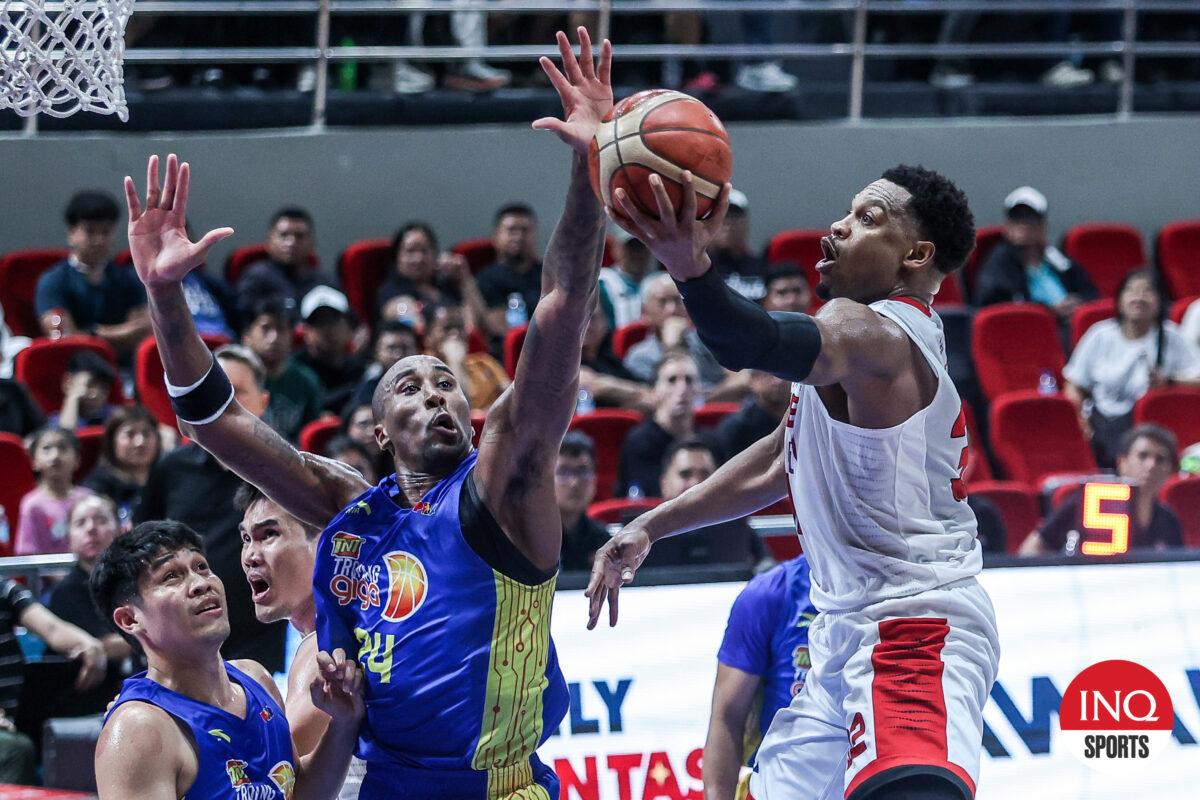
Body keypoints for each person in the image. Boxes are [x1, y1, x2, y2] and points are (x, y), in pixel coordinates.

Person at [120, 28, 612, 797]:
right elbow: (214, 423)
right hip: (383, 783)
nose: (437, 396)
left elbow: (562, 302)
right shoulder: (350, 510)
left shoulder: (506, 485)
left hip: (498, 785)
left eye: (447, 384)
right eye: (410, 388)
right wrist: (163, 295)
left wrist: (591, 167)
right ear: (379, 433)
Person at [590, 163, 999, 800]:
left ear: (916, 255)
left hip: (915, 629)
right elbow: (779, 458)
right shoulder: (854, 358)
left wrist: (688, 265)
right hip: (842, 632)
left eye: (869, 218)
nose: (838, 225)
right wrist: (652, 523)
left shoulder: (879, 332)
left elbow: (744, 338)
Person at [92, 520, 364, 800]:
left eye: (201, 567)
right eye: (171, 576)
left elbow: (299, 795)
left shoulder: (256, 679)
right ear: (130, 619)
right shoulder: (138, 729)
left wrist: (343, 722)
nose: (200, 584)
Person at [137, 345, 289, 671]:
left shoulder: (286, 468)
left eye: (236, 394)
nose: (223, 406)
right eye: (215, 393)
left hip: (266, 642)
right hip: (185, 644)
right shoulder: (171, 468)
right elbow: (141, 552)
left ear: (263, 403)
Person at [236, 484, 369, 799]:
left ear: (325, 544)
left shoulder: (328, 644)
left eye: (268, 534)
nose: (250, 556)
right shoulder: (312, 637)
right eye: (245, 539)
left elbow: (274, 777)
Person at [705, 555, 816, 800]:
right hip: (788, 783)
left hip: (871, 774)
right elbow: (727, 715)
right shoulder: (769, 594)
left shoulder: (901, 590)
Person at [1063, 268, 1200, 467]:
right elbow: (1074, 385)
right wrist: (1078, 421)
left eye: (1147, 291)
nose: (1139, 298)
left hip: (1155, 429)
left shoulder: (1173, 337)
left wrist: (1169, 381)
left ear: (1160, 300)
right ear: (1119, 299)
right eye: (1131, 291)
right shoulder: (1100, 335)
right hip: (1103, 427)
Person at [0, 576, 106, 785]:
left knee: (74, 740)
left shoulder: (4, 590)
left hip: (18, 719)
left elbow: (52, 629)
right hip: (12, 736)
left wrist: (89, 645)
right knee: (16, 750)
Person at [1019, 423, 1183, 555]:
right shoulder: (1089, 503)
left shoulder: (1168, 518)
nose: (1151, 465)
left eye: (1160, 460)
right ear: (1122, 462)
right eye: (1142, 456)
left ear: (1170, 471)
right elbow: (1030, 550)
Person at [35, 190, 150, 361]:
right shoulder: (53, 280)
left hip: (126, 368)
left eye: (105, 232)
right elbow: (62, 335)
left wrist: (92, 332)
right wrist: (122, 333)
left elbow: (145, 329)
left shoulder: (129, 278)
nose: (98, 240)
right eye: (89, 232)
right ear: (71, 234)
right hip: (74, 367)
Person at [46, 495, 135, 713]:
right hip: (82, 701)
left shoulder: (135, 583)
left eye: (101, 520)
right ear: (69, 537)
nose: (91, 529)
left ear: (120, 530)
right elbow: (108, 645)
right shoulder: (66, 592)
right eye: (80, 523)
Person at [638, 439, 768, 571]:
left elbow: (767, 564)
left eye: (705, 475)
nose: (696, 483)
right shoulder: (645, 533)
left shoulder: (739, 528)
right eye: (685, 474)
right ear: (664, 484)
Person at [973, 186, 1097, 322]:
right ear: (1007, 226)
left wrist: (1077, 302)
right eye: (1017, 218)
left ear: (1043, 227)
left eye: (1030, 219)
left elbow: (1090, 294)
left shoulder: (1056, 258)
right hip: (1029, 331)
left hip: (1070, 328)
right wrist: (1050, 311)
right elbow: (994, 305)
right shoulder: (999, 262)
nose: (1023, 225)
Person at [615, 350, 719, 498]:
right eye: (672, 380)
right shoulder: (638, 442)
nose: (682, 389)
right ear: (655, 391)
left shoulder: (711, 442)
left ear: (699, 390)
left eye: (689, 380)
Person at [377, 222, 497, 339]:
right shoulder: (392, 292)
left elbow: (481, 327)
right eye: (410, 251)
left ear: (435, 254)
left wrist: (465, 279)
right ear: (397, 257)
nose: (418, 258)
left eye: (424, 250)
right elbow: (419, 331)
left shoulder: (447, 287)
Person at [242, 296, 325, 442]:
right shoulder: (234, 378)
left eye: (281, 329)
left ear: (292, 337)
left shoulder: (307, 380)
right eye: (265, 328)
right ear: (247, 336)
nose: (274, 337)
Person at [623, 273, 727, 388]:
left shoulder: (707, 341)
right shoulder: (639, 357)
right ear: (644, 311)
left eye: (677, 300)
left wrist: (700, 401)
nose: (672, 310)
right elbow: (665, 397)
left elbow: (740, 377)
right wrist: (672, 346)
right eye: (662, 302)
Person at [236, 207, 336, 315]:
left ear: (312, 243)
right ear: (269, 241)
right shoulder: (256, 278)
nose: (291, 243)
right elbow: (244, 319)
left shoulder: (325, 282)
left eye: (299, 236)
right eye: (283, 235)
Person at [15, 426, 94, 555]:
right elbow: (27, 554)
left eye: (63, 448)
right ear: (34, 461)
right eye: (46, 449)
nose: (55, 456)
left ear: (77, 460)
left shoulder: (89, 499)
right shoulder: (32, 505)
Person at [421, 301, 510, 411]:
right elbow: (459, 414)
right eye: (447, 328)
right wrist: (455, 362)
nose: (456, 334)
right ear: (428, 337)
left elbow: (512, 401)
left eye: (460, 327)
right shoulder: (420, 371)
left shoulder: (484, 362)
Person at [83, 404, 161, 527]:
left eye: (147, 434)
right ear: (112, 441)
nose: (140, 442)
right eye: (130, 434)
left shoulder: (167, 479)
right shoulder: (96, 488)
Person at [294, 287, 367, 415]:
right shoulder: (294, 370)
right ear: (305, 331)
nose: (328, 329)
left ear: (349, 327)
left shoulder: (359, 370)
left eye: (334, 320)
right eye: (320, 322)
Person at [474, 202, 543, 333]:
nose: (518, 237)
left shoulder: (551, 275)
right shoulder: (485, 280)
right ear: (496, 236)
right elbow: (499, 329)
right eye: (511, 230)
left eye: (525, 230)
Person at [555, 432, 610, 571]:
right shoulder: (530, 540)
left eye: (583, 471)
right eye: (563, 472)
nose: (574, 483)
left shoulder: (603, 540)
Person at [708, 189, 771, 301]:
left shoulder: (760, 268)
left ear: (746, 224)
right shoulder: (697, 269)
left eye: (734, 216)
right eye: (721, 215)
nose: (727, 223)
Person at [716, 369, 791, 461]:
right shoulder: (736, 427)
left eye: (784, 375)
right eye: (767, 375)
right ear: (752, 380)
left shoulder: (804, 415)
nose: (778, 381)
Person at [346, 320, 420, 410]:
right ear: (377, 353)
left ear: (416, 351)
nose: (398, 354)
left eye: (404, 348)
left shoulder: (428, 385)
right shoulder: (369, 389)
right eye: (391, 348)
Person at [597, 228, 658, 329]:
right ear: (615, 249)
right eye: (631, 247)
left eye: (642, 246)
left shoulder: (663, 283)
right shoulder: (602, 284)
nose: (637, 253)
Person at [49, 349, 117, 430]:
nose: (96, 395)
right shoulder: (56, 421)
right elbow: (65, 435)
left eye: (104, 389)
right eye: (90, 384)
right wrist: (72, 398)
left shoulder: (111, 415)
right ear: (68, 382)